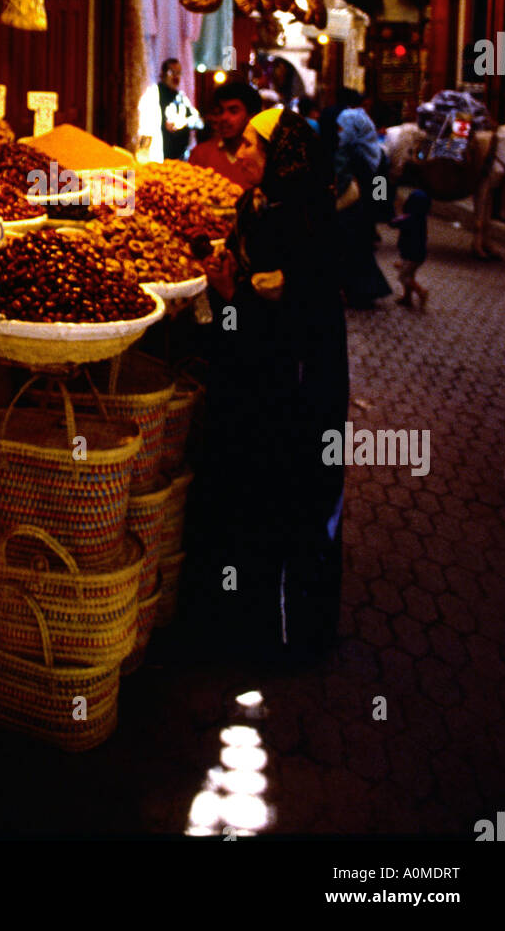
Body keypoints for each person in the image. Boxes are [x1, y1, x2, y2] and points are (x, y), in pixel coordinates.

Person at [185, 104, 349, 660]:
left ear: (283, 155)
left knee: (289, 494)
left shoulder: (306, 221)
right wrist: (229, 292)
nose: (243, 152)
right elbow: (246, 309)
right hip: (254, 377)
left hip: (297, 388)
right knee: (245, 492)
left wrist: (237, 296)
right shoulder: (251, 206)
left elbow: (297, 323)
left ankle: (288, 634)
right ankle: (238, 619)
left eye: (255, 144)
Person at [335, 107, 392, 309]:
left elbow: (380, 190)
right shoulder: (374, 152)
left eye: (343, 128)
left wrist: (374, 213)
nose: (340, 132)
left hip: (358, 210)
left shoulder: (357, 153)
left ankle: (362, 291)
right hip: (361, 212)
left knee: (355, 252)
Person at [190, 79, 263, 187]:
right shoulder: (201, 155)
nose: (224, 118)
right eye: (220, 112)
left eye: (233, 111)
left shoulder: (261, 157)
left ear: (251, 116)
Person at [137, 58, 203, 162]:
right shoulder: (152, 95)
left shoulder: (181, 97)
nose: (176, 77)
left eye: (179, 73)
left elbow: (199, 123)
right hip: (159, 161)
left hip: (180, 161)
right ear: (163, 74)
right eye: (172, 72)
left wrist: (184, 122)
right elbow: (144, 129)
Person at [390, 189, 431, 310]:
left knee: (403, 277)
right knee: (410, 275)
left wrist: (391, 210)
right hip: (418, 254)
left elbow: (393, 222)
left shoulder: (409, 217)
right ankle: (407, 298)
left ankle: (421, 291)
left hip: (411, 254)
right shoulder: (421, 218)